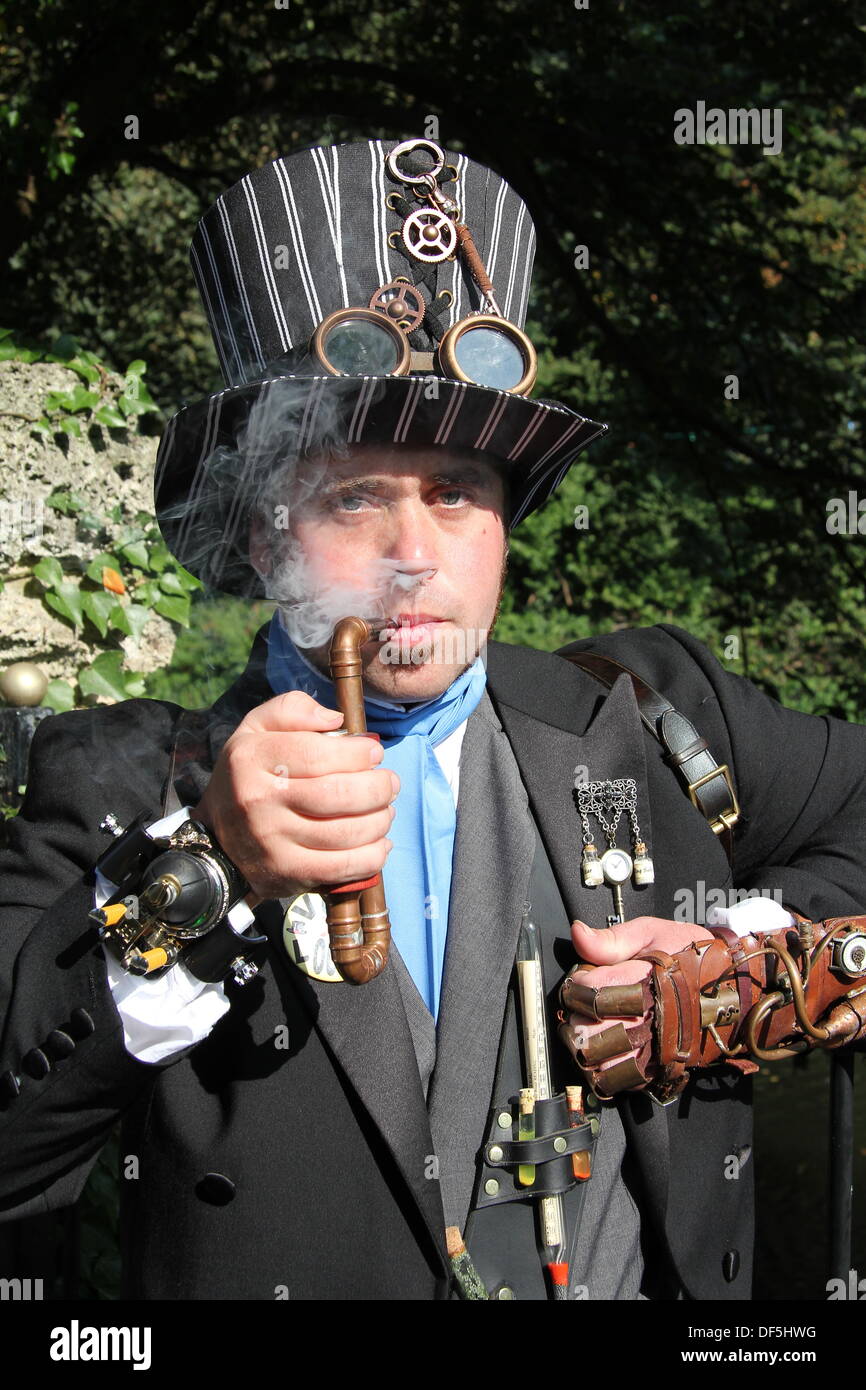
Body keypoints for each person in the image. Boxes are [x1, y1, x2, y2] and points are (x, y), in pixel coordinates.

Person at [1, 137, 864, 1302]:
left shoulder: (655, 711)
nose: (413, 558)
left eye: (454, 495)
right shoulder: (126, 781)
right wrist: (206, 868)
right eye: (354, 496)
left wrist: (734, 965)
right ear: (264, 539)